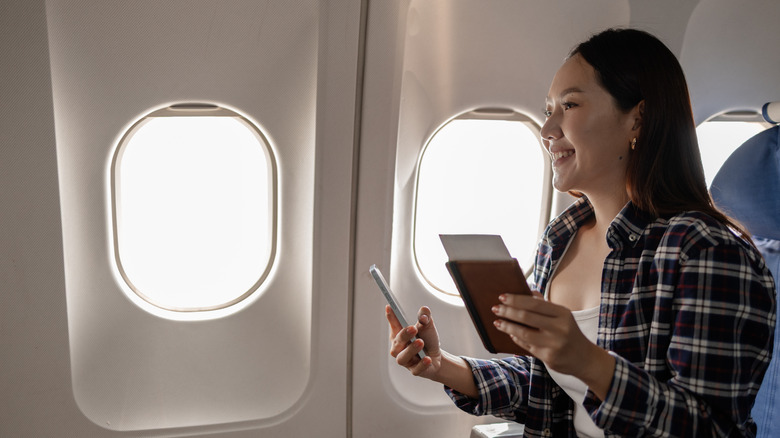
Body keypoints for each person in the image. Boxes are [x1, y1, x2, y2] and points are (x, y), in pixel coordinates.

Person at [386, 28, 776, 437]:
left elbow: (708, 429)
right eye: (547, 108)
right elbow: (548, 387)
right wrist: (443, 367)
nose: (547, 128)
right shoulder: (562, 237)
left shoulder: (706, 253)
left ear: (637, 118)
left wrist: (587, 362)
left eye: (569, 105)